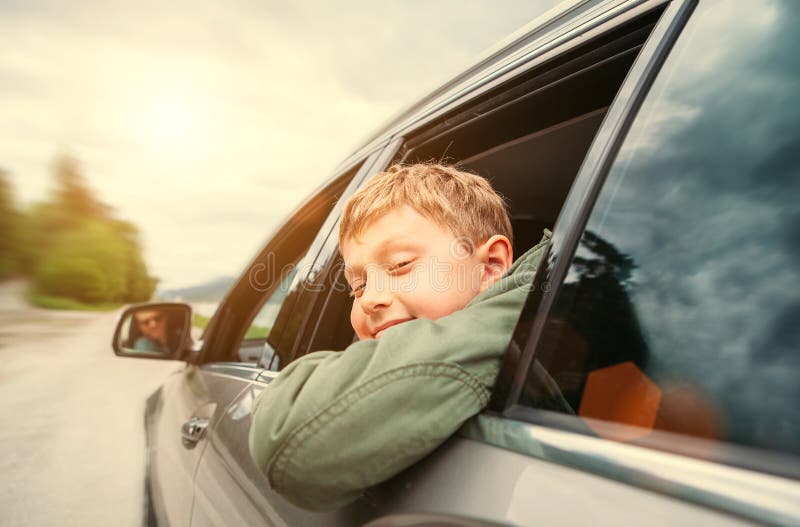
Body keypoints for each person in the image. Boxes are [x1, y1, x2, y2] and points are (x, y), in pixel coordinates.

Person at [249, 163, 550, 510]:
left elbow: (287, 438)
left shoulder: (547, 326)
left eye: (400, 265)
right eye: (357, 284)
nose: (370, 297)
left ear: (491, 267)